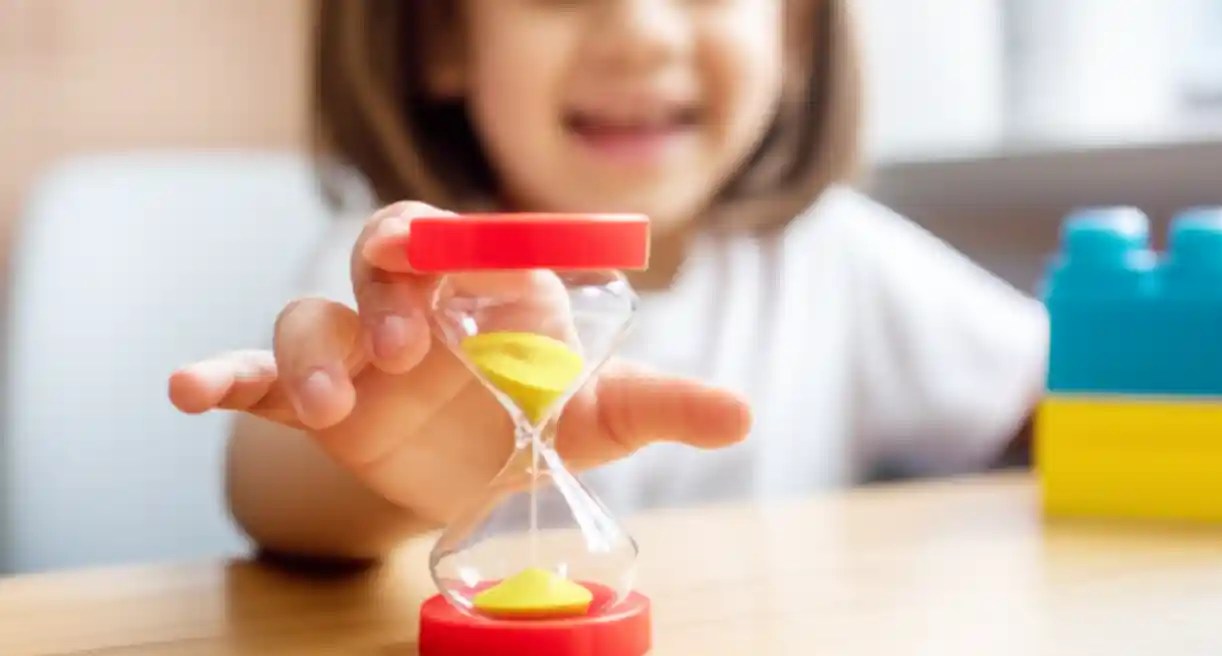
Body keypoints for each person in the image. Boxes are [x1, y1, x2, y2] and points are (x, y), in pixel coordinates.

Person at [169, 0, 1045, 562]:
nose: (640, 32)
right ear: (442, 36)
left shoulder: (830, 258)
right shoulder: (411, 270)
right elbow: (273, 494)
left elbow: (1056, 395)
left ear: (795, 31)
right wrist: (377, 468)